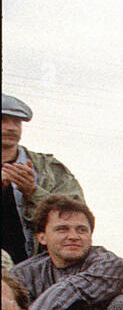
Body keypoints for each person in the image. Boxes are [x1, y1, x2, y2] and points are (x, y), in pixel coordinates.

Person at [2, 94, 85, 265]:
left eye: (16, 122)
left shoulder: (49, 168)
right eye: (2, 120)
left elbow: (80, 219)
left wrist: (33, 192)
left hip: (39, 274)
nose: (11, 128)